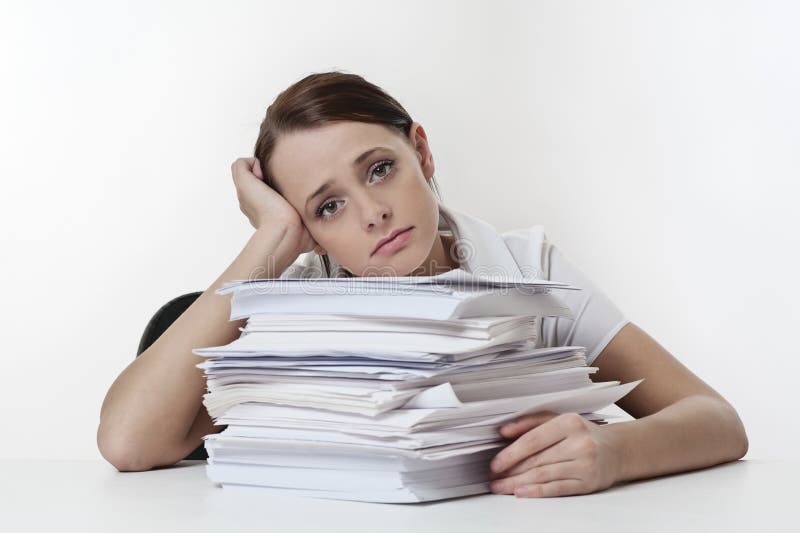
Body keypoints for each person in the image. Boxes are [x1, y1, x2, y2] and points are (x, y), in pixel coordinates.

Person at [97, 71, 748, 498]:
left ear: (423, 152)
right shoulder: (294, 311)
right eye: (327, 208)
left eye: (379, 169)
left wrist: (614, 449)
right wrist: (269, 238)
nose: (371, 211)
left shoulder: (528, 268)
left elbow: (717, 420)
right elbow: (129, 442)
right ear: (308, 232)